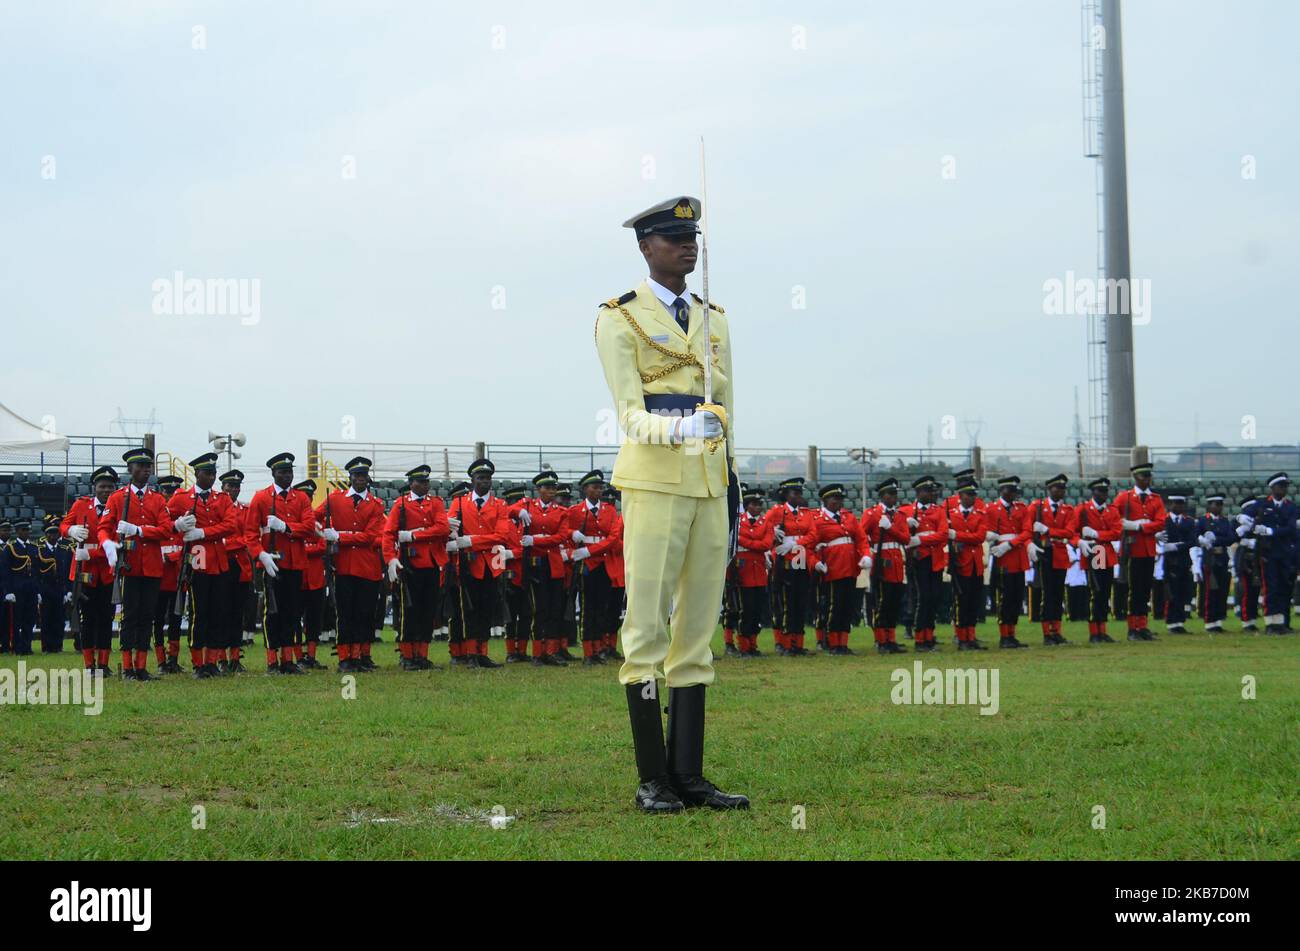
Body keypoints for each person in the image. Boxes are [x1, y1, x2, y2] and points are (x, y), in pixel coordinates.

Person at [594, 194, 747, 812]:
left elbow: (729, 406)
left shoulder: (715, 319)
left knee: (698, 628)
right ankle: (652, 776)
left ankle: (689, 773)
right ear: (645, 246)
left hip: (709, 484)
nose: (688, 245)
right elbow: (630, 414)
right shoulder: (619, 318)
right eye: (673, 236)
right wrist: (681, 430)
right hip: (655, 482)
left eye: (693, 237)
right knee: (647, 622)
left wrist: (730, 472)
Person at [98, 447, 176, 680]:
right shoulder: (117, 497)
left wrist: (139, 530)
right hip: (129, 565)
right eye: (140, 466)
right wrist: (107, 544)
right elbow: (103, 527)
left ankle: (141, 665)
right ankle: (127, 666)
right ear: (130, 469)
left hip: (152, 566)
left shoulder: (157, 499)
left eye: (148, 466)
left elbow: (165, 529)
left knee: (147, 615)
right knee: (130, 616)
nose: (145, 470)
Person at [167, 453, 241, 678]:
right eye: (207, 473)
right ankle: (198, 663)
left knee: (218, 612)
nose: (211, 477)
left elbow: (231, 524)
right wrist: (178, 525)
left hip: (218, 560)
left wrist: (204, 532)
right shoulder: (181, 497)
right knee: (200, 612)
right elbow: (165, 521)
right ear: (196, 473)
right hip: (196, 560)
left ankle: (212, 661)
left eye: (214, 473)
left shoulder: (222, 498)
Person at [246, 452, 316, 675]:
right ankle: (271, 661)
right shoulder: (261, 498)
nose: (287, 476)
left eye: (290, 471)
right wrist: (260, 555)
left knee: (292, 612)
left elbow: (309, 527)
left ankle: (288, 660)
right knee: (272, 612)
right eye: (282, 472)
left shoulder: (301, 498)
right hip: (271, 563)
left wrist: (285, 527)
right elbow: (249, 534)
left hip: (294, 563)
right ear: (273, 473)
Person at [315, 457, 387, 672]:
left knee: (364, 613)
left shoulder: (376, 504)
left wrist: (339, 536)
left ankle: (358, 657)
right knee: (345, 613)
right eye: (356, 476)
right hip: (343, 566)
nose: (360, 480)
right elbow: (311, 517)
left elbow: (370, 536)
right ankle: (345, 658)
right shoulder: (335, 499)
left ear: (368, 478)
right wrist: (322, 533)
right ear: (350, 478)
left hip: (368, 567)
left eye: (364, 476)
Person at [382, 465, 451, 671]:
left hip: (430, 563)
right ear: (411, 483)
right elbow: (388, 534)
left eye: (427, 482)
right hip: (409, 564)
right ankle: (406, 655)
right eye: (420, 482)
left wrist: (414, 534)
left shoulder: (436, 503)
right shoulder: (401, 504)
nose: (425, 485)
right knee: (408, 610)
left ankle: (422, 655)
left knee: (427, 610)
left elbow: (443, 528)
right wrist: (390, 559)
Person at [445, 458, 510, 668]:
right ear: (472, 480)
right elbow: (451, 531)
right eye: (480, 478)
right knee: (468, 610)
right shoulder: (460, 503)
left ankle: (482, 653)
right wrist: (453, 534)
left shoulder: (500, 505)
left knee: (486, 609)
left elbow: (501, 535)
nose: (485, 482)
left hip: (492, 564)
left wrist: (472, 540)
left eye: (488, 478)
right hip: (467, 564)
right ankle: (470, 653)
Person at [800, 484, 869, 655]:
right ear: (824, 500)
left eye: (840, 499)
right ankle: (832, 643)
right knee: (834, 606)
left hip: (851, 567)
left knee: (847, 606)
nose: (838, 502)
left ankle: (843, 643)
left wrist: (866, 555)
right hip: (832, 568)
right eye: (834, 499)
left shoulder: (849, 517)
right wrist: (814, 562)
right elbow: (807, 546)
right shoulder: (816, 519)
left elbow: (861, 539)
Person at [61, 466, 118, 672]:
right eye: (102, 486)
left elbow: (116, 543)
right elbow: (63, 527)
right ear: (95, 488)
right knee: (88, 619)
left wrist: (92, 554)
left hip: (107, 572)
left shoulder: (118, 507)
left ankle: (103, 664)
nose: (106, 491)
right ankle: (88, 664)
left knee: (106, 619)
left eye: (110, 487)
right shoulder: (81, 505)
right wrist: (72, 530)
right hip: (85, 573)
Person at [566, 469, 624, 666]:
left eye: (600, 487)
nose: (598, 491)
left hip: (602, 562)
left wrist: (590, 551)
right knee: (587, 608)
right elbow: (561, 526)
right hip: (587, 565)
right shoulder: (575, 511)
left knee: (602, 607)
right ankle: (588, 651)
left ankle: (599, 649)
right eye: (594, 487)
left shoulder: (609, 510)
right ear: (585, 489)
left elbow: (613, 537)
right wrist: (572, 533)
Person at [1113, 462, 1167, 641]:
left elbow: (1160, 522)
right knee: (1133, 589)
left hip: (1148, 549)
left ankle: (1142, 626)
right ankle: (1132, 628)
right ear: (1136, 478)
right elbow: (1113, 517)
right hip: (1132, 549)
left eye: (1149, 476)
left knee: (1145, 589)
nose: (1147, 480)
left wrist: (1139, 525)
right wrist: (1124, 523)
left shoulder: (1156, 499)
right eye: (1144, 476)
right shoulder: (1125, 498)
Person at [862, 478, 912, 654]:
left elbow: (906, 539)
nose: (893, 497)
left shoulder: (899, 516)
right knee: (881, 603)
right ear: (882, 496)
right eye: (890, 494)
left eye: (895, 494)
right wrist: (869, 552)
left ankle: (891, 639)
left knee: (894, 603)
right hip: (881, 560)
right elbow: (862, 534)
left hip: (897, 560)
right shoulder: (872, 514)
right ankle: (881, 640)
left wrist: (890, 528)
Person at [767, 477, 816, 656]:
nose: (798, 496)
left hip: (800, 557)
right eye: (795, 493)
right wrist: (773, 533)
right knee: (786, 603)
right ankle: (786, 644)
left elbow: (813, 534)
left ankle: (798, 643)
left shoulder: (806, 513)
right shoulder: (777, 512)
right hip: (783, 560)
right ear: (786, 495)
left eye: (799, 493)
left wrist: (796, 543)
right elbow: (764, 528)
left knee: (799, 602)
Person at [1072, 477, 1122, 643]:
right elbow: (1072, 531)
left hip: (1105, 551)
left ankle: (1102, 630)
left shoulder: (1112, 510)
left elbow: (1117, 532)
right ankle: (1094, 631)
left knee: (1105, 592)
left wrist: (1097, 534)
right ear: (1093, 492)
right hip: (1094, 550)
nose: (1103, 494)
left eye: (1105, 491)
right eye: (1100, 491)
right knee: (1097, 591)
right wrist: (1081, 541)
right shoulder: (1083, 510)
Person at [1026, 473, 1075, 646]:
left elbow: (1069, 532)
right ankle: (1047, 632)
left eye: (1063, 488)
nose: (1061, 491)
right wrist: (1031, 543)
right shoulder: (1036, 507)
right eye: (1058, 487)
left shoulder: (1067, 510)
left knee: (1057, 593)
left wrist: (1048, 530)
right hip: (1044, 553)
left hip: (1059, 553)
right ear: (1049, 489)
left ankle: (1057, 631)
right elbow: (1028, 529)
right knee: (1046, 594)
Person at [901, 475, 948, 652]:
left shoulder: (938, 511)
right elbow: (898, 532)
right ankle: (920, 638)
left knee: (934, 598)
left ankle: (929, 636)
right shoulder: (906, 511)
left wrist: (921, 539)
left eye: (932, 491)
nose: (931, 494)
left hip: (934, 559)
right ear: (919, 492)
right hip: (917, 560)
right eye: (927, 491)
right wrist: (906, 527)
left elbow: (943, 534)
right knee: (923, 598)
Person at [984, 475, 1031, 649]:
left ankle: (1012, 634)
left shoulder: (1022, 508)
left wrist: (1010, 544)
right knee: (1004, 597)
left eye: (1014, 492)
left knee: (1016, 597)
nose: (1013, 495)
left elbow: (1027, 532)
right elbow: (985, 531)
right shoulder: (991, 509)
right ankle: (1004, 636)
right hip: (1001, 558)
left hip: (1016, 555)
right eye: (1010, 491)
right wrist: (990, 538)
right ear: (1002, 491)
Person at [1249, 472, 1296, 634]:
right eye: (1281, 486)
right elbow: (1245, 516)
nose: (1284, 489)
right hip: (1267, 553)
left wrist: (1270, 530)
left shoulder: (1290, 506)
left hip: (1284, 552)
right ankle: (1270, 624)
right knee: (1270, 588)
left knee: (1283, 587)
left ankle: (1280, 623)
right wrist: (1248, 522)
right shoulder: (1262, 504)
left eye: (1285, 486)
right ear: (1272, 487)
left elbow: (1290, 528)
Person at [947, 476, 988, 650]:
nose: (971, 498)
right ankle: (961, 637)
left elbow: (980, 536)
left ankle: (970, 637)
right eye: (968, 494)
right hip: (960, 563)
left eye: (973, 495)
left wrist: (957, 535)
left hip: (975, 563)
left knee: (973, 601)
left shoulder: (979, 514)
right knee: (961, 602)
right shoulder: (951, 514)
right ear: (960, 495)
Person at [219, 469, 254, 669]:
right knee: (221, 612)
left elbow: (248, 537)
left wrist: (225, 542)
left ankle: (234, 657)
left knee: (236, 613)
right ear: (222, 488)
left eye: (237, 486)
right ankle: (220, 657)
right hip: (221, 566)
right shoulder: (216, 507)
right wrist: (231, 543)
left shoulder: (245, 510)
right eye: (230, 486)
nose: (234, 489)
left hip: (240, 566)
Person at [294, 479, 329, 669]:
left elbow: (322, 547)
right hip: (297, 576)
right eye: (304, 496)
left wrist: (301, 548)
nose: (307, 499)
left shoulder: (317, 523)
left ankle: (311, 656)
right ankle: (298, 656)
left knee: (314, 618)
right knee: (294, 618)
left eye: (310, 497)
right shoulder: (291, 520)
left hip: (315, 578)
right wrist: (309, 547)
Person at [734, 486, 773, 657]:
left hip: (759, 570)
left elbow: (766, 544)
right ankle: (743, 646)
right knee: (745, 609)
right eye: (755, 504)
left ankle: (753, 645)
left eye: (760, 504)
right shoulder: (738, 521)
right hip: (743, 570)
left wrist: (745, 542)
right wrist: (755, 543)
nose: (758, 507)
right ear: (748, 505)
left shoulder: (766, 522)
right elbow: (737, 538)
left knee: (757, 610)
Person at [1158, 490, 1197, 634]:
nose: (1179, 506)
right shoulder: (1164, 520)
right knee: (1171, 592)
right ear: (1170, 504)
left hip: (1183, 560)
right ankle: (1171, 622)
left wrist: (1176, 545)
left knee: (1182, 592)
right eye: (1176, 503)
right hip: (1169, 561)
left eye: (1181, 504)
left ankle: (1179, 621)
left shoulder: (1189, 521)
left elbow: (1192, 541)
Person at [1193, 493, 1234, 632]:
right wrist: (1202, 540)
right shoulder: (1203, 521)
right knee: (1210, 591)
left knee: (1222, 591)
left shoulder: (1224, 521)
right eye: (1215, 504)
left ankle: (1218, 621)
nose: (1218, 507)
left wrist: (1215, 539)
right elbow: (1195, 535)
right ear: (1209, 506)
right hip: (1209, 559)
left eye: (1220, 504)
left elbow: (1230, 538)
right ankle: (1210, 622)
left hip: (1222, 558)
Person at [2, 521, 39, 655]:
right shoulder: (11, 548)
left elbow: (36, 571)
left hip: (31, 588)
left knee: (30, 618)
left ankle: (27, 646)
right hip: (17, 588)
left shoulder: (33, 547)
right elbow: (5, 571)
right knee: (17, 619)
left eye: (28, 530)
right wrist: (8, 591)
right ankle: (17, 647)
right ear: (17, 531)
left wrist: (38, 590)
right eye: (23, 530)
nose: (26, 532)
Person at [35, 517, 71, 653]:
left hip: (59, 588)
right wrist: (38, 591)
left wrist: (67, 590)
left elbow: (67, 571)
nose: (53, 535)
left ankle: (58, 645)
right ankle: (46, 646)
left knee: (59, 618)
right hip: (45, 588)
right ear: (46, 535)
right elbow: (36, 572)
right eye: (50, 533)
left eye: (56, 533)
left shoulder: (64, 549)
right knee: (46, 618)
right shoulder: (40, 550)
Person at [1233, 495, 1263, 630]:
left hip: (1257, 558)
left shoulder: (1258, 522)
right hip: (1245, 558)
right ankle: (1246, 620)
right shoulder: (1241, 521)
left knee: (1255, 590)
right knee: (1246, 590)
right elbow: (1234, 535)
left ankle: (1252, 618)